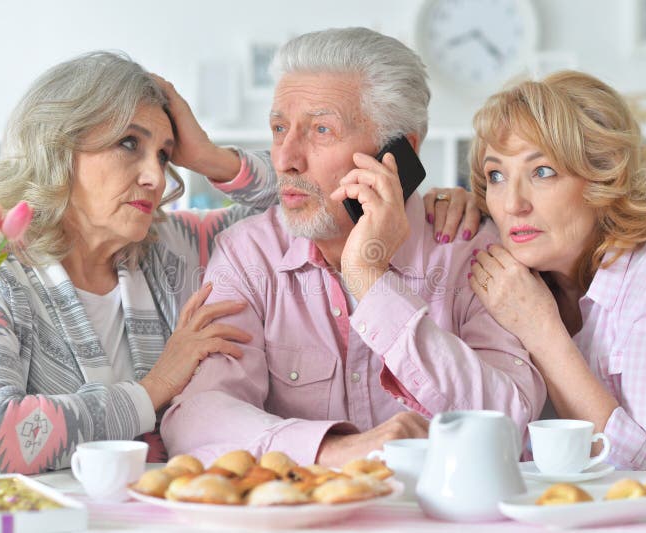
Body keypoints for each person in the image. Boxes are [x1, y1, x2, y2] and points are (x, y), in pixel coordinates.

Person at [160, 27, 546, 467]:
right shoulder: (248, 256)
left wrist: (371, 279)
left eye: (321, 130)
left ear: (398, 153)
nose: (286, 158)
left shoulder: (472, 252)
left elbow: (508, 425)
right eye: (279, 128)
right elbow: (195, 419)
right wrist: (333, 450)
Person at [0, 51, 279, 474]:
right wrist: (153, 388)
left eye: (162, 154)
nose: (155, 178)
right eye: (128, 143)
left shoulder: (178, 245)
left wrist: (210, 158)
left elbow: (306, 203)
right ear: (58, 146)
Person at [426, 70, 646, 470]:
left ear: (604, 178)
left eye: (542, 171)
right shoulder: (502, 273)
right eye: (496, 175)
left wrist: (540, 331)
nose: (512, 204)